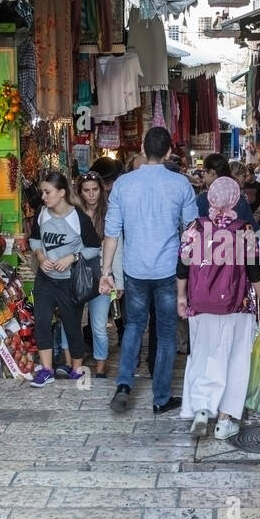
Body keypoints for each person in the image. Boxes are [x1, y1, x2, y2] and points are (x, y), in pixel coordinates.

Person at [101, 126, 198, 414]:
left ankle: (123, 385)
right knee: (166, 333)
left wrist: (106, 271)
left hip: (134, 269)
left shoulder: (122, 185)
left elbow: (111, 233)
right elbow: (192, 232)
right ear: (169, 152)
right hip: (168, 269)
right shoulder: (181, 184)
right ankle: (161, 397)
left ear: (143, 150)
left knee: (133, 326)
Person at [178, 177, 260, 440]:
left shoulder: (194, 228)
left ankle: (202, 410)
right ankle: (224, 421)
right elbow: (255, 273)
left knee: (203, 356)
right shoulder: (244, 231)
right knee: (236, 358)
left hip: (200, 304)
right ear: (235, 200)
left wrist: (181, 297)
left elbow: (182, 267)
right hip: (236, 306)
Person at [27, 171, 100, 387]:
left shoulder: (78, 218)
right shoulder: (42, 213)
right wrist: (41, 257)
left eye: (47, 192)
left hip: (70, 281)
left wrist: (72, 257)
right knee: (41, 320)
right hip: (46, 279)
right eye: (42, 192)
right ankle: (47, 370)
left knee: (71, 325)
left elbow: (94, 248)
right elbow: (34, 240)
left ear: (61, 193)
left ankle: (77, 369)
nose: (43, 196)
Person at [73, 172, 116, 378]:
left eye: (95, 189)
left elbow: (118, 246)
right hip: (76, 273)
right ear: (80, 192)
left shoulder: (110, 213)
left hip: (102, 274)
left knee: (99, 324)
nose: (91, 194)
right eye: (86, 190)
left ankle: (100, 365)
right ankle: (72, 363)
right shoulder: (74, 213)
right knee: (71, 320)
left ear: (101, 189)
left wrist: (118, 280)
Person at [196, 153, 257, 224]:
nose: (202, 175)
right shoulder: (239, 199)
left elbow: (199, 228)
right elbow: (253, 228)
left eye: (204, 171)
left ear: (212, 173)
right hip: (238, 235)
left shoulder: (203, 198)